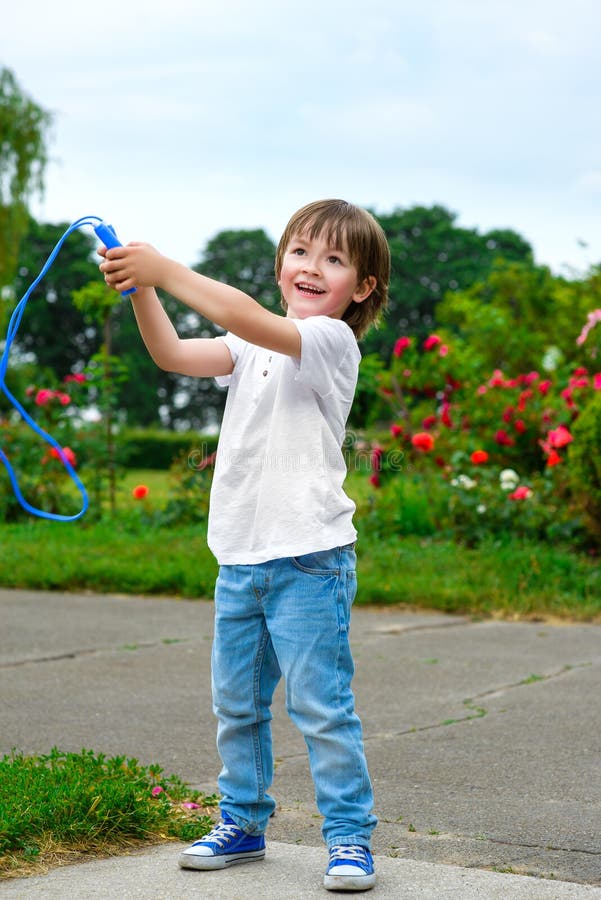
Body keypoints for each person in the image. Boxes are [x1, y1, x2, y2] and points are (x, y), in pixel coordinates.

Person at [100, 198, 390, 892]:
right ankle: (243, 824)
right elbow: (172, 353)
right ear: (280, 260)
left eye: (333, 259)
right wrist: (142, 290)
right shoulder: (251, 346)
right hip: (239, 560)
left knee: (320, 709)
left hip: (308, 562)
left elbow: (237, 314)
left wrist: (166, 268)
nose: (312, 268)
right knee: (236, 706)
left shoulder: (328, 343)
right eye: (300, 251)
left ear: (362, 287)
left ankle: (348, 840)